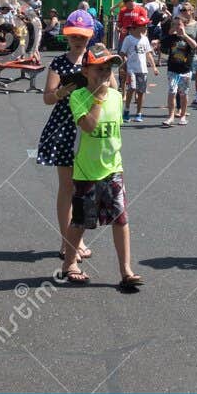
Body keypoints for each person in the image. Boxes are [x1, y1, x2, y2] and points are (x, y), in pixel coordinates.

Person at [56, 43, 143, 292]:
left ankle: (125, 270)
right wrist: (97, 99)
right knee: (81, 222)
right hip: (86, 171)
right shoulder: (78, 97)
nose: (104, 74)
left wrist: (108, 92)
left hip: (113, 168)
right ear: (86, 71)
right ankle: (70, 263)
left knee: (120, 219)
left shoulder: (116, 97)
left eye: (108, 70)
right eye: (99, 69)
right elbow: (90, 126)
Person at [39, 18, 95, 263]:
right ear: (67, 37)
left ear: (89, 36)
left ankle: (76, 237)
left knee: (84, 187)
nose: (77, 40)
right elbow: (48, 98)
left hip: (89, 127)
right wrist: (66, 89)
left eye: (82, 36)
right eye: (73, 36)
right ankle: (68, 240)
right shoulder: (59, 62)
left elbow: (113, 87)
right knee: (68, 186)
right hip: (64, 125)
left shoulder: (97, 59)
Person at [163, 9, 197, 127]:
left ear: (184, 25)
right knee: (172, 92)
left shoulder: (187, 37)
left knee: (183, 94)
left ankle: (183, 116)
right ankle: (171, 116)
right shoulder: (172, 38)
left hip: (185, 70)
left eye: (179, 24)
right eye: (175, 25)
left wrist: (184, 35)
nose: (177, 27)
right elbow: (162, 43)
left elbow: (195, 45)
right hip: (173, 70)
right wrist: (156, 42)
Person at [118, 17, 153, 122]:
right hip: (131, 69)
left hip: (143, 69)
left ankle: (139, 113)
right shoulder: (128, 39)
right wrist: (124, 65)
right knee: (132, 88)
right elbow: (122, 53)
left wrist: (154, 67)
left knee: (141, 92)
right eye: (144, 25)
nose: (146, 27)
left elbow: (148, 53)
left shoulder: (145, 39)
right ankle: (127, 110)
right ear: (137, 27)